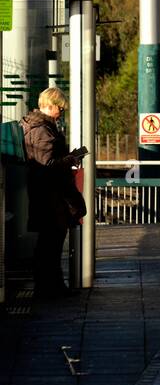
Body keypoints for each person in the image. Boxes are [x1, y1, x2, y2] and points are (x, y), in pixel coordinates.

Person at [21, 88, 88, 299]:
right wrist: (71, 159)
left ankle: (53, 287)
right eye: (60, 108)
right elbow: (47, 164)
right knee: (50, 243)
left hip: (48, 195)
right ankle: (49, 288)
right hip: (50, 197)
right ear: (50, 105)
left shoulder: (41, 127)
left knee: (51, 242)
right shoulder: (41, 130)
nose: (61, 112)